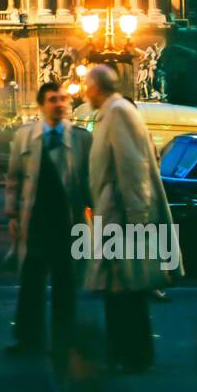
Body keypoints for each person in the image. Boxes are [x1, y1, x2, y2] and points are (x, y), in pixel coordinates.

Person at [82, 65, 182, 373]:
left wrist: (138, 220)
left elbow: (133, 168)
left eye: (86, 86)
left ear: (97, 88)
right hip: (115, 216)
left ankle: (133, 355)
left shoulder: (118, 113)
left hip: (123, 219)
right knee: (121, 291)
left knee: (126, 291)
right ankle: (126, 353)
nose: (84, 92)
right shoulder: (112, 112)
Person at [5, 82, 91, 357]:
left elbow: (91, 181)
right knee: (31, 281)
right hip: (35, 218)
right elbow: (14, 178)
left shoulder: (82, 139)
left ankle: (63, 338)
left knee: (66, 281)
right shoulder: (24, 136)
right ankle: (28, 339)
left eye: (64, 98)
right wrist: (11, 214)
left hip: (68, 220)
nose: (60, 103)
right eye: (53, 99)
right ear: (42, 105)